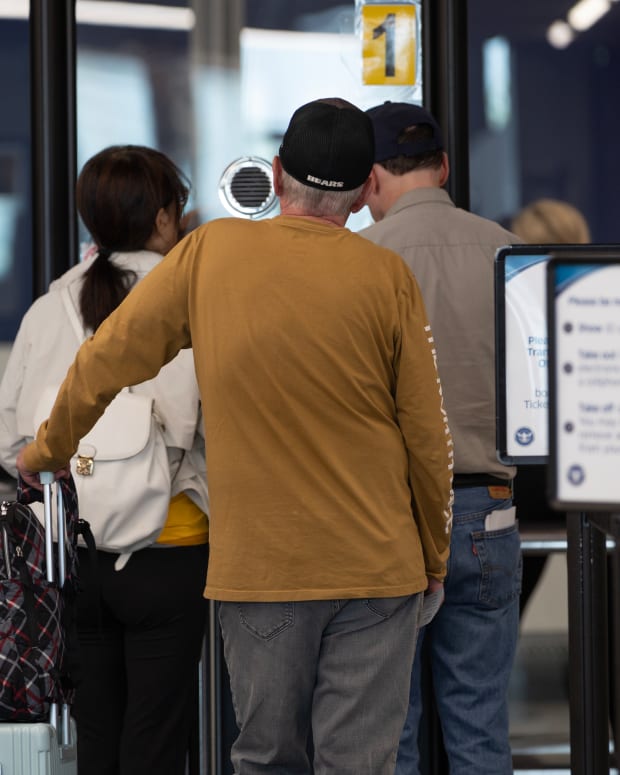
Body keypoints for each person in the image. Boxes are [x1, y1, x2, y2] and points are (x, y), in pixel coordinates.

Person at [15, 98, 454, 775]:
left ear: (275, 175)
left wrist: (45, 451)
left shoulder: (209, 254)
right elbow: (426, 433)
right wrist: (433, 552)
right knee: (360, 764)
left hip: (263, 570)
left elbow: (104, 362)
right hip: (377, 564)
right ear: (367, 188)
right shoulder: (386, 275)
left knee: (267, 758)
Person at [0, 145, 210, 775]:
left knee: (93, 736)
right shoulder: (189, 301)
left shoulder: (49, 308)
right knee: (157, 737)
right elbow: (208, 425)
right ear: (165, 218)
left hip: (72, 558)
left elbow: (12, 441)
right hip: (171, 548)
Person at [359, 101, 522, 775]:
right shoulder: (507, 250)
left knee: (390, 734)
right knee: (480, 729)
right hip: (489, 509)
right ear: (445, 167)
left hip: (387, 515)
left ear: (371, 179)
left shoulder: (361, 260)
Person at [509, 198, 591, 617]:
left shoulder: (510, 318)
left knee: (511, 599)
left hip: (526, 484)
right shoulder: (600, 309)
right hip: (591, 478)